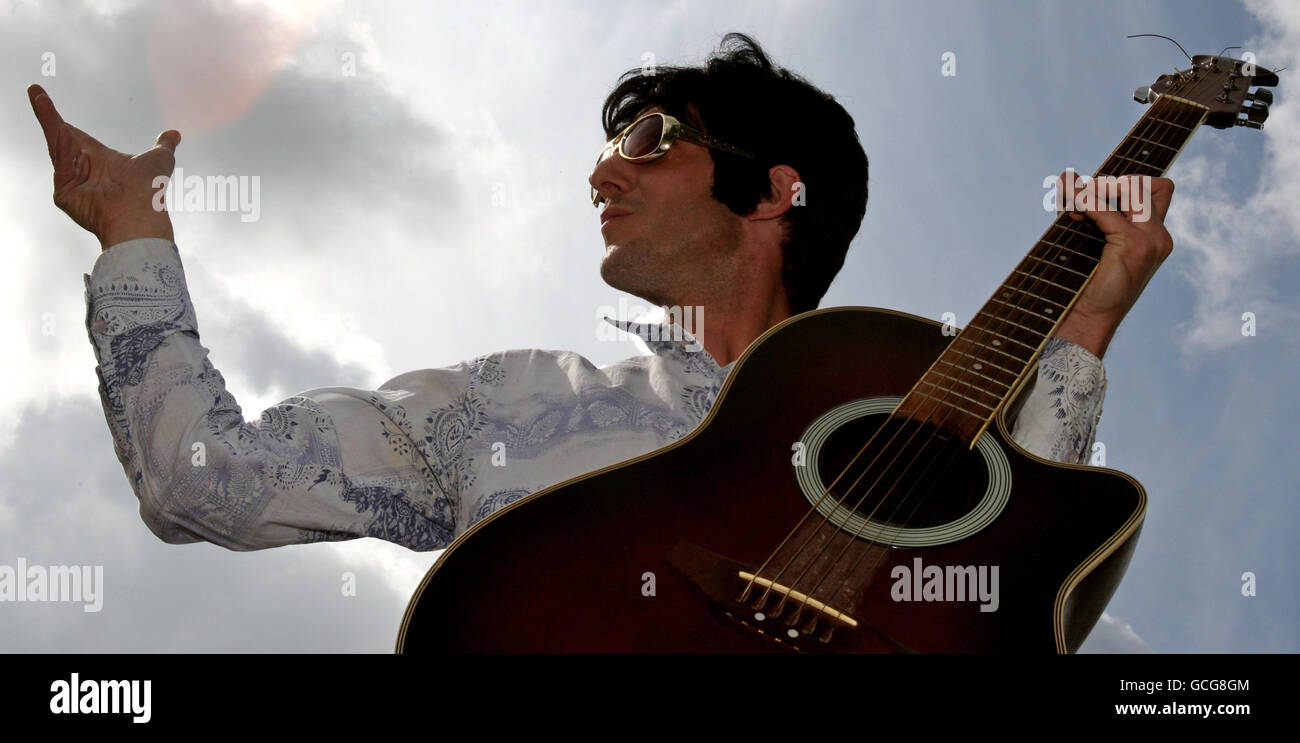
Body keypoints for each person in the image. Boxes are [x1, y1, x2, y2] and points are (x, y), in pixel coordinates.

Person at [28, 33, 1173, 553]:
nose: (599, 169)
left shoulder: (913, 408)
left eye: (647, 137)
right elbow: (209, 489)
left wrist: (1084, 326)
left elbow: (1019, 583)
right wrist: (134, 232)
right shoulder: (497, 405)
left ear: (774, 190)